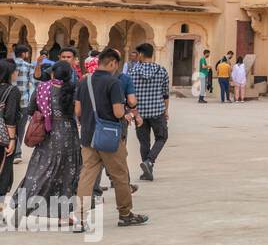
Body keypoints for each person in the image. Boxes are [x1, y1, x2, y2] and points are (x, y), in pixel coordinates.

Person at [74, 49, 148, 230]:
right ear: (113, 63)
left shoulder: (85, 81)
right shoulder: (113, 82)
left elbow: (78, 111)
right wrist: (127, 114)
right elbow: (117, 112)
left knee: (86, 176)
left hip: (88, 136)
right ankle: (125, 214)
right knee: (120, 176)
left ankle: (80, 219)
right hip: (109, 138)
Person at [8, 61, 83, 228]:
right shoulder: (74, 89)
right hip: (69, 136)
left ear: (53, 74)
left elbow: (30, 110)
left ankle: (24, 205)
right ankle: (64, 214)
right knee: (67, 174)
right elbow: (79, 112)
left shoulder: (42, 89)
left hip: (48, 136)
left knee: (40, 172)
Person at [126, 42, 170, 181]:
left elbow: (129, 95)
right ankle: (149, 162)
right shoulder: (162, 70)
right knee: (162, 137)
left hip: (139, 113)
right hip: (157, 111)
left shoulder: (132, 72)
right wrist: (166, 110)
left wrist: (132, 111)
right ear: (153, 54)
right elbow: (165, 94)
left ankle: (147, 169)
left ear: (141, 55)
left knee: (144, 142)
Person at [11, 43, 35, 166]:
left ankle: (12, 151)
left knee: (9, 126)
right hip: (23, 102)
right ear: (24, 54)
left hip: (9, 101)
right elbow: (33, 84)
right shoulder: (29, 66)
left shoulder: (9, 64)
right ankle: (17, 153)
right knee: (20, 128)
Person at [0, 60, 20, 202]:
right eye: (15, 71)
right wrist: (12, 140)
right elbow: (10, 118)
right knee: (3, 172)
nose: (16, 73)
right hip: (3, 138)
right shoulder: (12, 91)